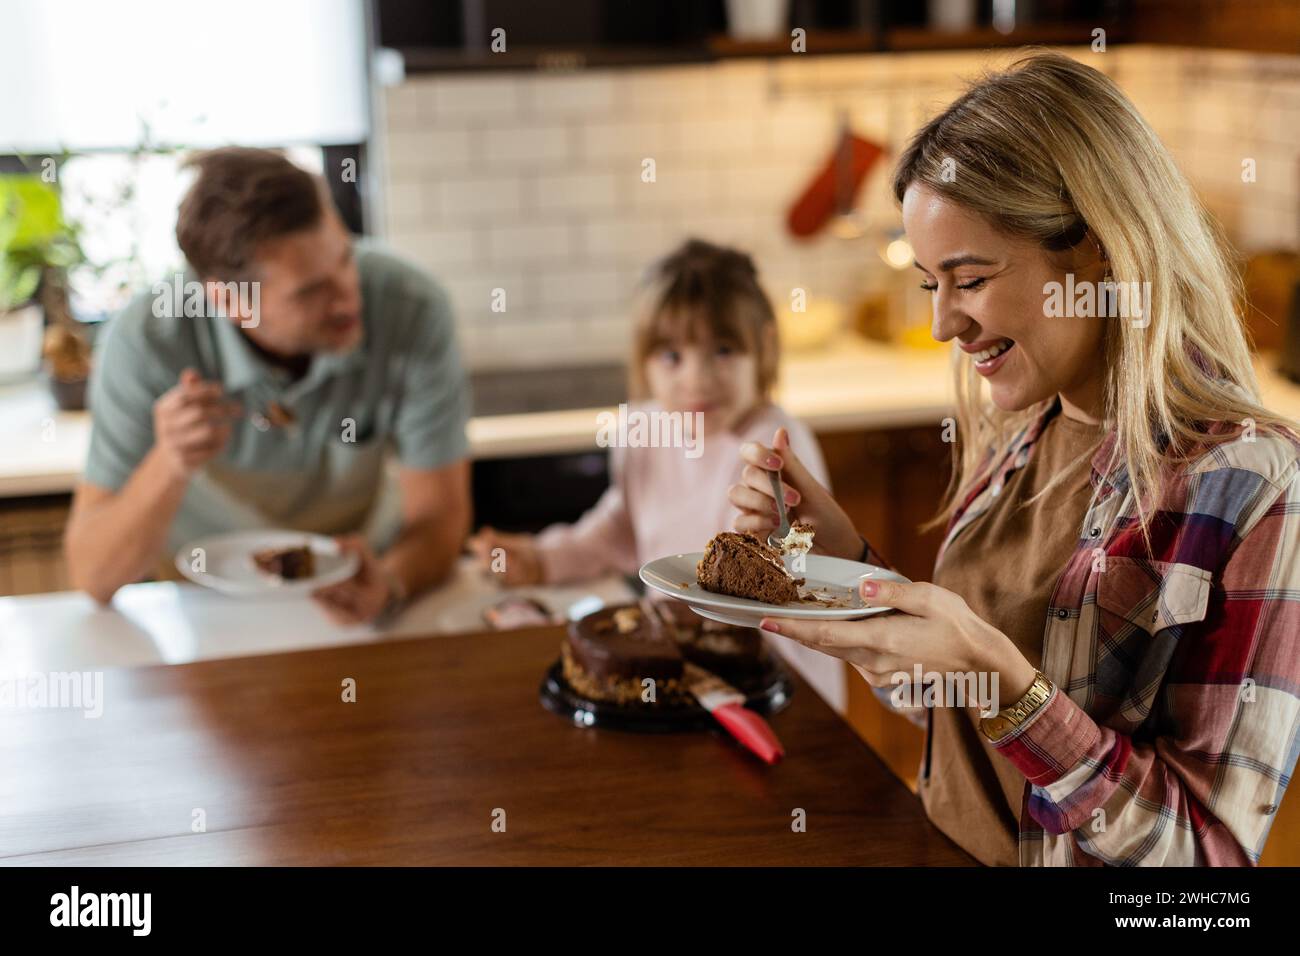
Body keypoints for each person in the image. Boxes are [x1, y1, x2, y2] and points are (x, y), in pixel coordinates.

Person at [731, 53, 1300, 865]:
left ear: (1100, 251)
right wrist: (845, 565)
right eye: (931, 283)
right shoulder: (1023, 430)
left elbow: (1210, 862)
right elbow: (951, 709)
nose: (942, 326)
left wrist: (1008, 684)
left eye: (969, 279)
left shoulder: (1255, 486)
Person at [65, 148, 471, 625]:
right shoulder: (145, 343)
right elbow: (93, 575)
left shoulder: (411, 307)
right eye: (310, 291)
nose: (348, 297)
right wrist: (169, 462)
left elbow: (440, 516)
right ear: (232, 302)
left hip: (362, 593)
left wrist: (389, 581)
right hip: (208, 610)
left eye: (345, 257)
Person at [468, 238, 845, 710]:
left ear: (764, 348)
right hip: (682, 670)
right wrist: (542, 558)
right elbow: (619, 528)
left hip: (777, 684)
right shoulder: (644, 429)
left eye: (723, 350)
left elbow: (757, 583)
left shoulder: (773, 447)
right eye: (671, 356)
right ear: (643, 360)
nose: (696, 378)